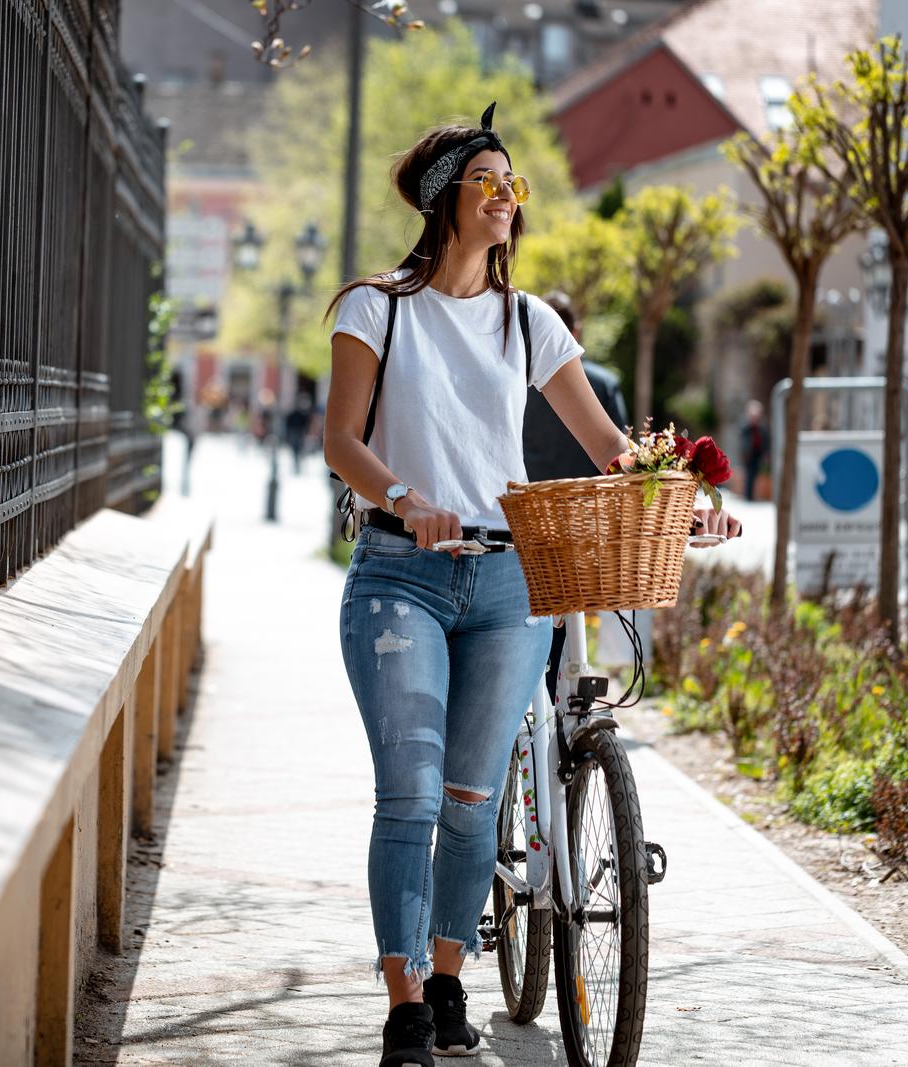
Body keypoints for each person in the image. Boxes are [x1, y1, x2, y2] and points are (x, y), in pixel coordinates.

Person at [321, 104, 739, 1067]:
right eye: (491, 183)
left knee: (471, 802)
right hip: (403, 578)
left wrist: (688, 503)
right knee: (411, 796)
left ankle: (449, 978)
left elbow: (609, 448)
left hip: (506, 584)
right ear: (445, 201)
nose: (510, 198)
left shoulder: (530, 320)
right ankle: (404, 1011)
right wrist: (404, 494)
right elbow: (343, 439)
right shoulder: (375, 308)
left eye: (516, 185)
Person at [522, 291, 629, 702]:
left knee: (540, 618)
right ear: (577, 332)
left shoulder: (517, 379)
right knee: (576, 614)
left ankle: (545, 706)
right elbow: (618, 452)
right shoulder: (603, 383)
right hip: (587, 519)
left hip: (528, 516)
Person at [739, 399, 767, 499]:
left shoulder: (762, 427)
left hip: (758, 453)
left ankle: (753, 495)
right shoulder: (745, 427)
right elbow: (742, 441)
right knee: (748, 474)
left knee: (756, 474)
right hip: (748, 454)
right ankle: (748, 495)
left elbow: (766, 440)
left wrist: (766, 453)